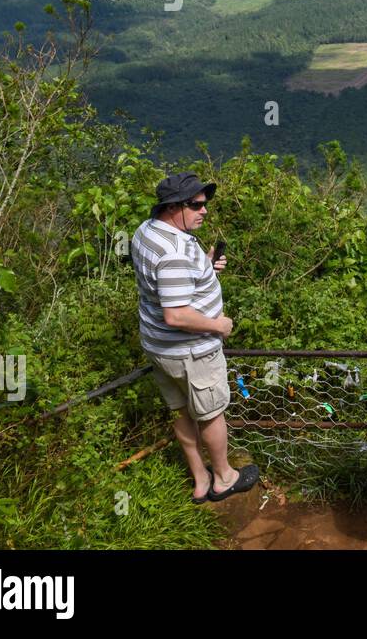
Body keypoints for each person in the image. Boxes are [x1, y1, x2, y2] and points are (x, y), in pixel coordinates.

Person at [131, 172, 259, 504]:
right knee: (210, 412)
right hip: (190, 351)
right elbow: (176, 315)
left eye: (205, 203)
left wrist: (202, 268)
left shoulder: (147, 231)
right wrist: (219, 326)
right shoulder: (173, 251)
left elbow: (167, 283)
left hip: (159, 348)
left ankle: (200, 479)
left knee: (180, 411)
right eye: (196, 205)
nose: (204, 211)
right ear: (173, 207)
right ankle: (223, 478)